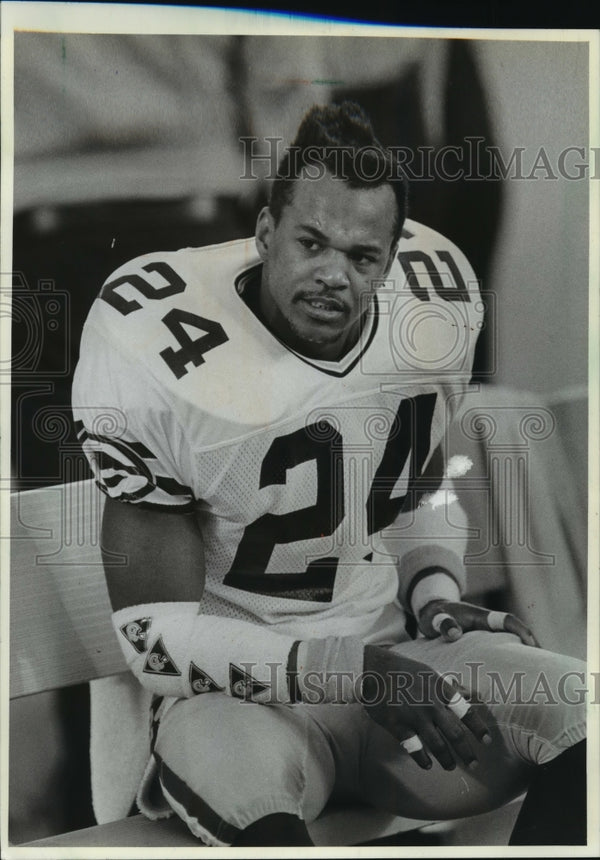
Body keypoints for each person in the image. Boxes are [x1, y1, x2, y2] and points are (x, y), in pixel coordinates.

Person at [72, 101, 586, 847]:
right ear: (264, 234)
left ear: (393, 257)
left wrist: (434, 591)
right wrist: (359, 672)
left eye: (360, 256)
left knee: (580, 708)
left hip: (393, 661)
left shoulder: (426, 314)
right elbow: (158, 640)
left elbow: (420, 476)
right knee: (248, 795)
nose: (332, 275)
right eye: (311, 242)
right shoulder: (159, 350)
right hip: (236, 702)